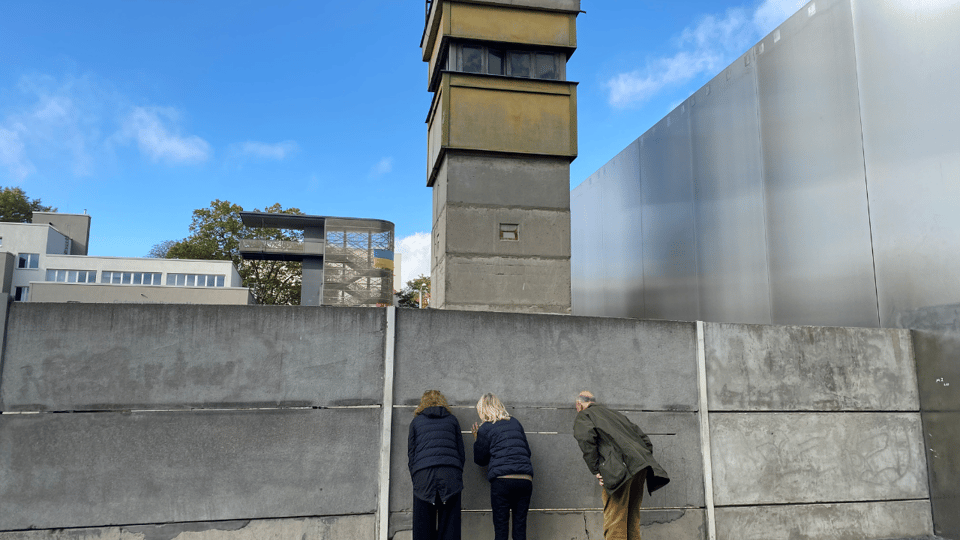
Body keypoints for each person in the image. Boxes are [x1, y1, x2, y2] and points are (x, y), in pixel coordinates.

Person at [572, 391, 670, 540]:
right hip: (640, 467)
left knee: (615, 521)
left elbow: (585, 440)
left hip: (618, 471)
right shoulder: (616, 415)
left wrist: (597, 470)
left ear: (579, 404)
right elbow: (645, 440)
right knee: (632, 520)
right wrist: (640, 459)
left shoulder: (585, 415)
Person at [471, 393, 534, 540]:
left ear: (482, 410)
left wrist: (476, 440)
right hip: (525, 480)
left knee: (501, 529)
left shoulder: (485, 428)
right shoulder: (515, 423)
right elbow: (527, 452)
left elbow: (480, 460)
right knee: (520, 528)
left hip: (502, 482)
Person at [408, 390, 465, 540]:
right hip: (450, 474)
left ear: (423, 403)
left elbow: (411, 455)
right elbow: (461, 452)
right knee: (450, 526)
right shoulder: (452, 420)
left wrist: (416, 477)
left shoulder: (416, 422)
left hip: (424, 476)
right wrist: (457, 472)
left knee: (423, 528)